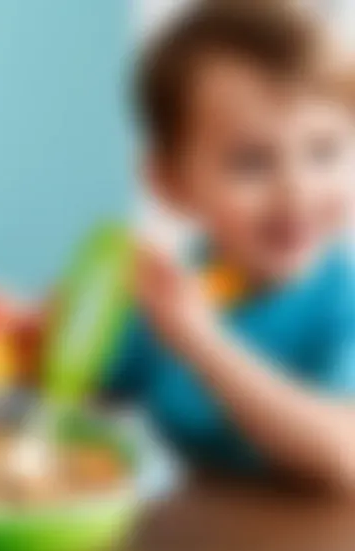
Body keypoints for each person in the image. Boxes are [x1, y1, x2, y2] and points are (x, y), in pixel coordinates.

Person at [110, 1, 355, 491]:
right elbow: (78, 385)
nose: (296, 191)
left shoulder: (341, 301)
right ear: (172, 182)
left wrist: (201, 342)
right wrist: (28, 330)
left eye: (324, 151)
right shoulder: (174, 290)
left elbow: (343, 455)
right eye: (251, 162)